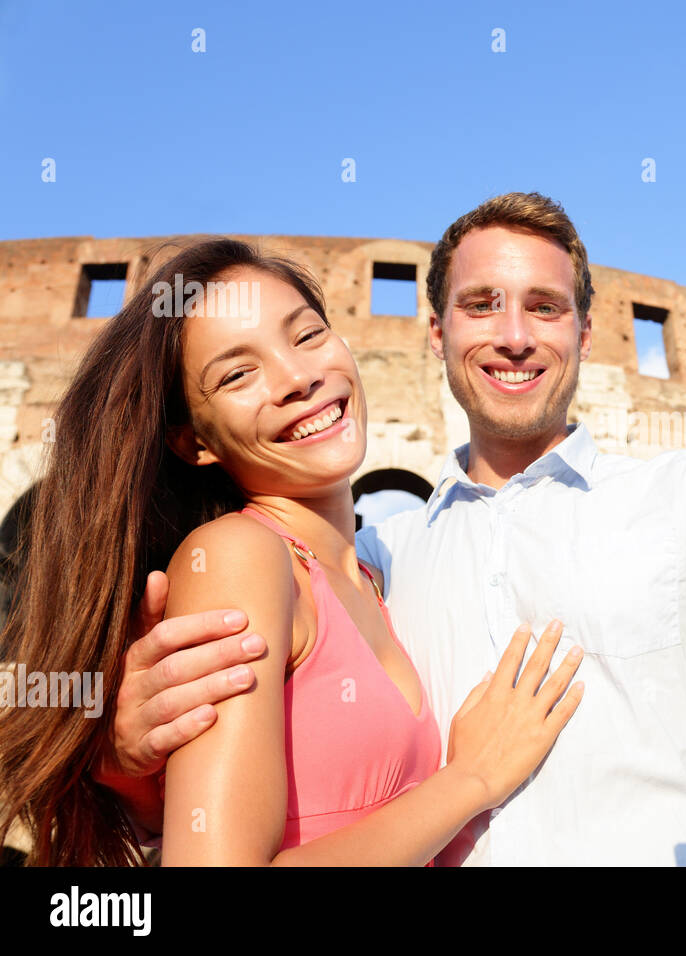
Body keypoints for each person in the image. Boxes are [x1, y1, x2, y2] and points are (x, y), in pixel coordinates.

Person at [102, 193, 686, 865]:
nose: (514, 335)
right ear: (430, 334)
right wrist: (133, 758)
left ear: (587, 335)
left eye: (545, 307)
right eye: (481, 305)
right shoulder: (380, 558)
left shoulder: (683, 498)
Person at [0, 237, 583, 866]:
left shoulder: (370, 575)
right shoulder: (239, 556)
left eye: (306, 336)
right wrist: (471, 781)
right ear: (192, 440)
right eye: (237, 373)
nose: (298, 378)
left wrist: (133, 780)